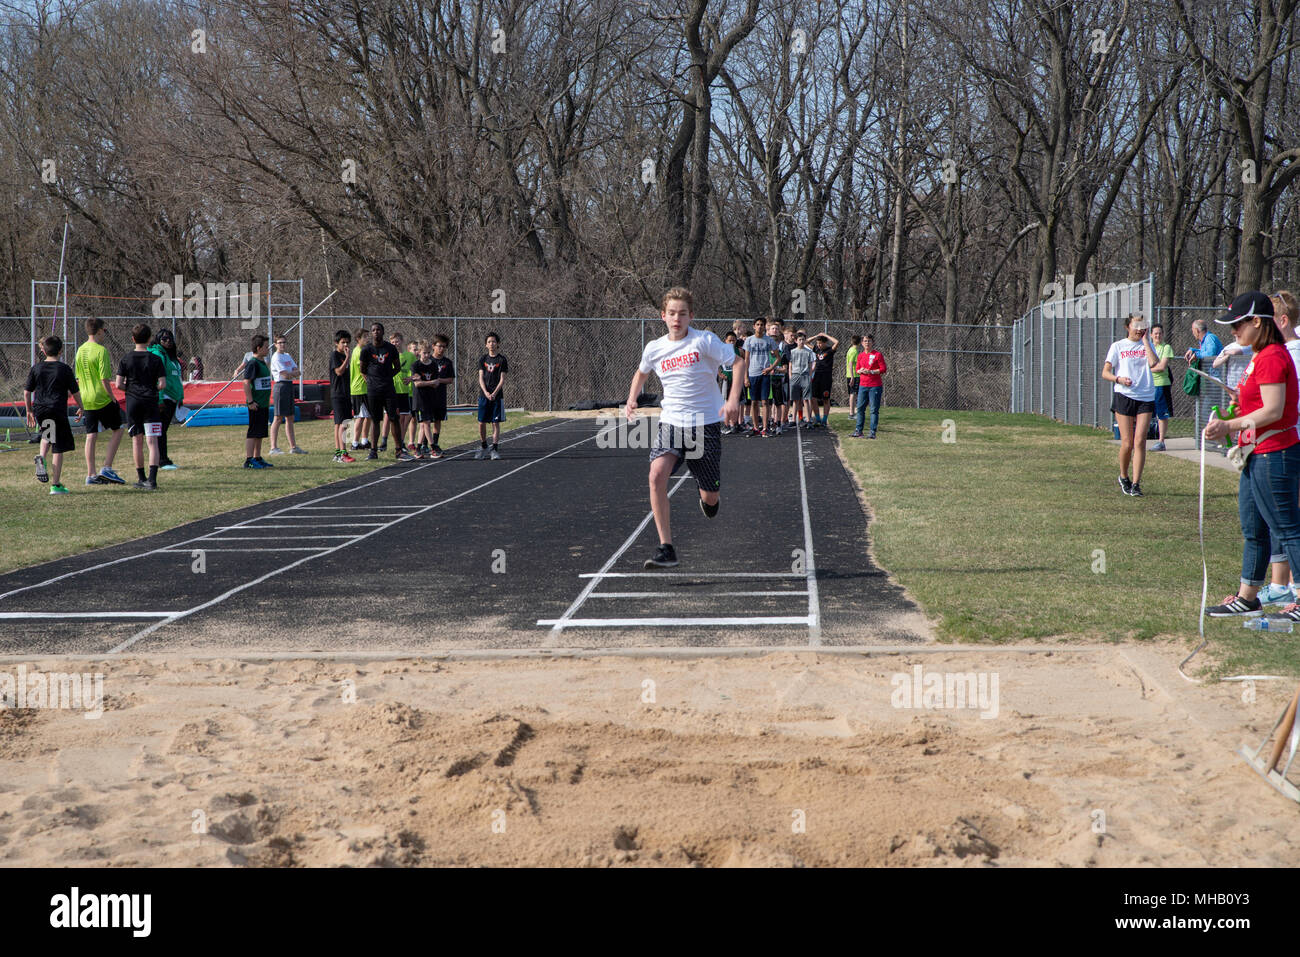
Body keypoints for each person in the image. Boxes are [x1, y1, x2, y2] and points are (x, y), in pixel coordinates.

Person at [626, 287, 742, 568]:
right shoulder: (655, 348)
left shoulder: (704, 341)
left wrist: (732, 400)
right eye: (672, 313)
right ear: (663, 316)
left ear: (691, 316)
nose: (677, 318)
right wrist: (631, 399)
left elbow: (738, 362)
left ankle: (707, 494)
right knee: (656, 475)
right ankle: (666, 547)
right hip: (672, 423)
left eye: (683, 313)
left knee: (710, 498)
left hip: (705, 424)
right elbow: (641, 372)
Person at [1200, 292, 1300, 620]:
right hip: (1255, 453)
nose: (1233, 332)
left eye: (1237, 324)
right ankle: (1248, 597)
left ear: (1257, 321)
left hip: (1274, 454)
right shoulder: (1258, 355)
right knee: (1253, 528)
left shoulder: (1272, 355)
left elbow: (1273, 410)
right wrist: (1233, 410)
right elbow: (1257, 403)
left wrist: (1231, 423)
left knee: (1286, 528)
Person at [1102, 314, 1158, 496]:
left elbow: (1154, 363)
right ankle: (1124, 476)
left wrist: (1146, 341)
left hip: (1146, 396)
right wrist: (1118, 379)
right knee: (1127, 443)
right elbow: (1106, 372)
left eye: (1142, 325)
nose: (1139, 328)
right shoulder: (1118, 346)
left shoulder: (1146, 345)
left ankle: (1136, 484)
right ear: (1128, 326)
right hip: (1124, 395)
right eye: (1136, 325)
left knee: (1140, 441)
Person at [24, 335, 80, 494]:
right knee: (58, 447)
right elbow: (75, 392)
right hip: (57, 409)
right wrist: (81, 406)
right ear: (61, 351)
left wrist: (29, 410)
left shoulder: (36, 368)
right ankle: (56, 485)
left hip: (41, 409)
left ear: (44, 350)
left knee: (48, 434)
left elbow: (27, 392)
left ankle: (41, 456)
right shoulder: (64, 369)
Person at [74, 317, 126, 486]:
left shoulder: (80, 350)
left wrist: (81, 403)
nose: (105, 334)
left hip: (86, 398)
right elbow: (104, 379)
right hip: (101, 398)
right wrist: (112, 397)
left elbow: (79, 378)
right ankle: (107, 467)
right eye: (104, 330)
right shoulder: (101, 350)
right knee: (118, 430)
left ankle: (90, 474)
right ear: (98, 331)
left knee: (91, 435)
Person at [115, 323, 166, 490]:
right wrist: (152, 388)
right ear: (150, 338)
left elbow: (118, 384)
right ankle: (152, 480)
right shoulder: (156, 359)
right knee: (152, 442)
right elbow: (162, 384)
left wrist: (130, 389)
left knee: (137, 442)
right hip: (150, 401)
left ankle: (141, 477)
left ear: (132, 339)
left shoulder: (126, 358)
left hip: (133, 402)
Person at [360, 322, 413, 461]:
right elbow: (363, 369)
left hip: (389, 389)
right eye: (373, 330)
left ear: (383, 332)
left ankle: (398, 450)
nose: (376, 332)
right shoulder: (366, 350)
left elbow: (397, 367)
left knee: (393, 418)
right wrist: (370, 381)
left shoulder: (390, 348)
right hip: (373, 391)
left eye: (378, 330)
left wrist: (388, 376)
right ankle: (373, 451)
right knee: (376, 420)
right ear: (371, 333)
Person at [411, 335, 455, 458]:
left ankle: (421, 447)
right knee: (425, 423)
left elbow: (444, 380)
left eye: (444, 347)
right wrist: (431, 382)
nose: (441, 348)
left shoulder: (437, 364)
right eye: (439, 346)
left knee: (430, 422)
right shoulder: (416, 365)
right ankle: (431, 447)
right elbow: (418, 383)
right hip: (421, 399)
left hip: (434, 397)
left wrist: (436, 382)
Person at [1185, 317, 1224, 447]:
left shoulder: (1210, 338)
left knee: (1209, 409)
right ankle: (1212, 438)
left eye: (1192, 330)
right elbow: (1203, 352)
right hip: (1209, 381)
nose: (1192, 333)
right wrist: (1193, 350)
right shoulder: (1204, 341)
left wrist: (1197, 354)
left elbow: (1210, 354)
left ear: (1197, 330)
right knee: (1207, 408)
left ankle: (1215, 438)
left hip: (1216, 380)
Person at [148, 329, 184, 469]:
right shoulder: (158, 354)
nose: (168, 341)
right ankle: (161, 460)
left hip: (173, 398)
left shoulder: (171, 357)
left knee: (163, 430)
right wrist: (160, 400)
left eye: (170, 339)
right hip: (165, 397)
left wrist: (180, 397)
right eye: (164, 339)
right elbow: (158, 379)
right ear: (158, 340)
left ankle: (163, 458)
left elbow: (176, 378)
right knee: (160, 430)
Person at [268, 335, 305, 455]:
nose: (282, 345)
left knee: (290, 417)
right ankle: (273, 448)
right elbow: (284, 374)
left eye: (284, 342)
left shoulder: (287, 356)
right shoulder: (276, 357)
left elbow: (298, 372)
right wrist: (291, 373)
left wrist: (292, 373)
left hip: (289, 386)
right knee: (278, 417)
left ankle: (293, 447)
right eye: (279, 343)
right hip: (281, 386)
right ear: (275, 344)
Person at [243, 334, 274, 470]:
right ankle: (249, 460)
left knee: (260, 432)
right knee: (253, 432)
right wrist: (251, 402)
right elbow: (246, 383)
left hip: (264, 404)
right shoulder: (253, 363)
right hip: (255, 404)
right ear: (258, 348)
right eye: (266, 347)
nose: (268, 349)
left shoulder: (262, 362)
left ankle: (257, 457)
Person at [742, 318, 776, 436]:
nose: (760, 327)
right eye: (758, 324)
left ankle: (765, 428)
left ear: (765, 327)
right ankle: (756, 428)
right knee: (754, 402)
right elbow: (746, 360)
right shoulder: (749, 340)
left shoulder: (769, 340)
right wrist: (745, 377)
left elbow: (778, 358)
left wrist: (770, 368)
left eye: (762, 325)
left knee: (765, 402)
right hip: (752, 374)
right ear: (754, 326)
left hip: (764, 374)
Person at [853, 334, 887, 438]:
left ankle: (872, 432)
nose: (867, 343)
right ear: (862, 343)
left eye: (869, 341)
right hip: (863, 385)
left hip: (875, 386)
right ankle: (859, 431)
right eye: (865, 341)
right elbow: (857, 369)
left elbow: (883, 369)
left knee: (873, 409)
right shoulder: (860, 355)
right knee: (860, 408)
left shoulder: (877, 355)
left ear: (873, 342)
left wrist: (871, 371)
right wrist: (860, 371)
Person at [329, 330, 355, 463]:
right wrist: (347, 358)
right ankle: (343, 453)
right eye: (342, 342)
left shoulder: (344, 355)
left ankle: (338, 452)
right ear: (336, 343)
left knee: (340, 423)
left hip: (346, 392)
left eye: (347, 342)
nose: (345, 345)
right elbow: (339, 372)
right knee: (343, 424)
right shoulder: (335, 355)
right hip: (338, 393)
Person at [1148, 324, 1174, 452]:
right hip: (1148, 385)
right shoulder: (1148, 348)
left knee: (1161, 414)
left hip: (1161, 384)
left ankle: (1161, 442)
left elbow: (1161, 367)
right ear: (1151, 335)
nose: (1158, 336)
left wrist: (1148, 368)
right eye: (1155, 333)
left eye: (1160, 333)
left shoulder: (1166, 347)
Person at [349, 327, 371, 451]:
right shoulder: (358, 352)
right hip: (359, 389)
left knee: (368, 415)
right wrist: (371, 382)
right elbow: (363, 372)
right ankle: (355, 443)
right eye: (365, 337)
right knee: (360, 416)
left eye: (368, 336)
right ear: (358, 339)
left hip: (365, 389)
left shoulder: (364, 350)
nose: (367, 339)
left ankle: (364, 440)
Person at [810, 332, 839, 427]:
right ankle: (817, 418)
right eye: (818, 343)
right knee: (813, 398)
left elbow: (836, 342)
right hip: (817, 376)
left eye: (820, 343)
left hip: (826, 377)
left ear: (825, 343)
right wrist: (816, 336)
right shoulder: (816, 349)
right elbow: (806, 342)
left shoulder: (830, 350)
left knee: (826, 399)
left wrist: (826, 335)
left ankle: (824, 420)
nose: (818, 345)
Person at [788, 330, 815, 428]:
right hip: (795, 375)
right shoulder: (792, 352)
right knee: (795, 399)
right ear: (796, 341)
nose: (801, 341)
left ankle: (808, 420)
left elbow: (811, 365)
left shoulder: (808, 352)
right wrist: (791, 377)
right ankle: (793, 420)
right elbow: (790, 365)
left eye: (803, 340)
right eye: (800, 340)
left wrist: (809, 376)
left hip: (805, 376)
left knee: (806, 399)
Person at [718, 331, 737, 433]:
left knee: (734, 402)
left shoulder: (737, 351)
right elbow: (717, 364)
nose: (731, 343)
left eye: (733, 341)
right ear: (725, 341)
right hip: (726, 380)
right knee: (725, 402)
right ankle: (725, 424)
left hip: (735, 380)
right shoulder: (722, 352)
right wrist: (720, 374)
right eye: (729, 340)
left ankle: (733, 424)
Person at [845, 335, 862, 416]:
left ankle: (853, 412)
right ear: (860, 343)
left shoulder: (850, 349)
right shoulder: (854, 351)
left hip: (852, 375)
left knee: (853, 394)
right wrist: (852, 377)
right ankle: (851, 413)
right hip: (854, 376)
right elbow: (851, 363)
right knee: (853, 394)